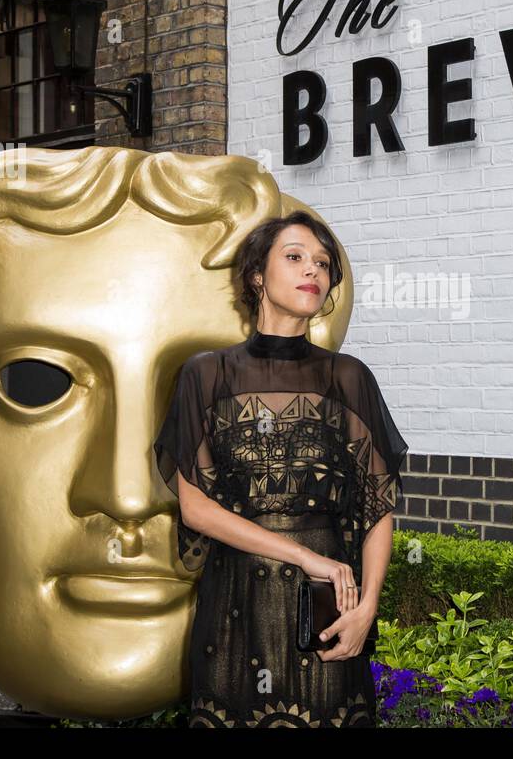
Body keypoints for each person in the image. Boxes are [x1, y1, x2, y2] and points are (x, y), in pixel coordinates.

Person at [153, 210, 408, 727]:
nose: (311, 271)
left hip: (328, 612)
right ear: (256, 276)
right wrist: (302, 556)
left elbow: (378, 507)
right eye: (294, 258)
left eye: (322, 263)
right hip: (234, 610)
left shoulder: (349, 379)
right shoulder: (207, 375)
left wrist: (367, 609)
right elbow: (196, 508)